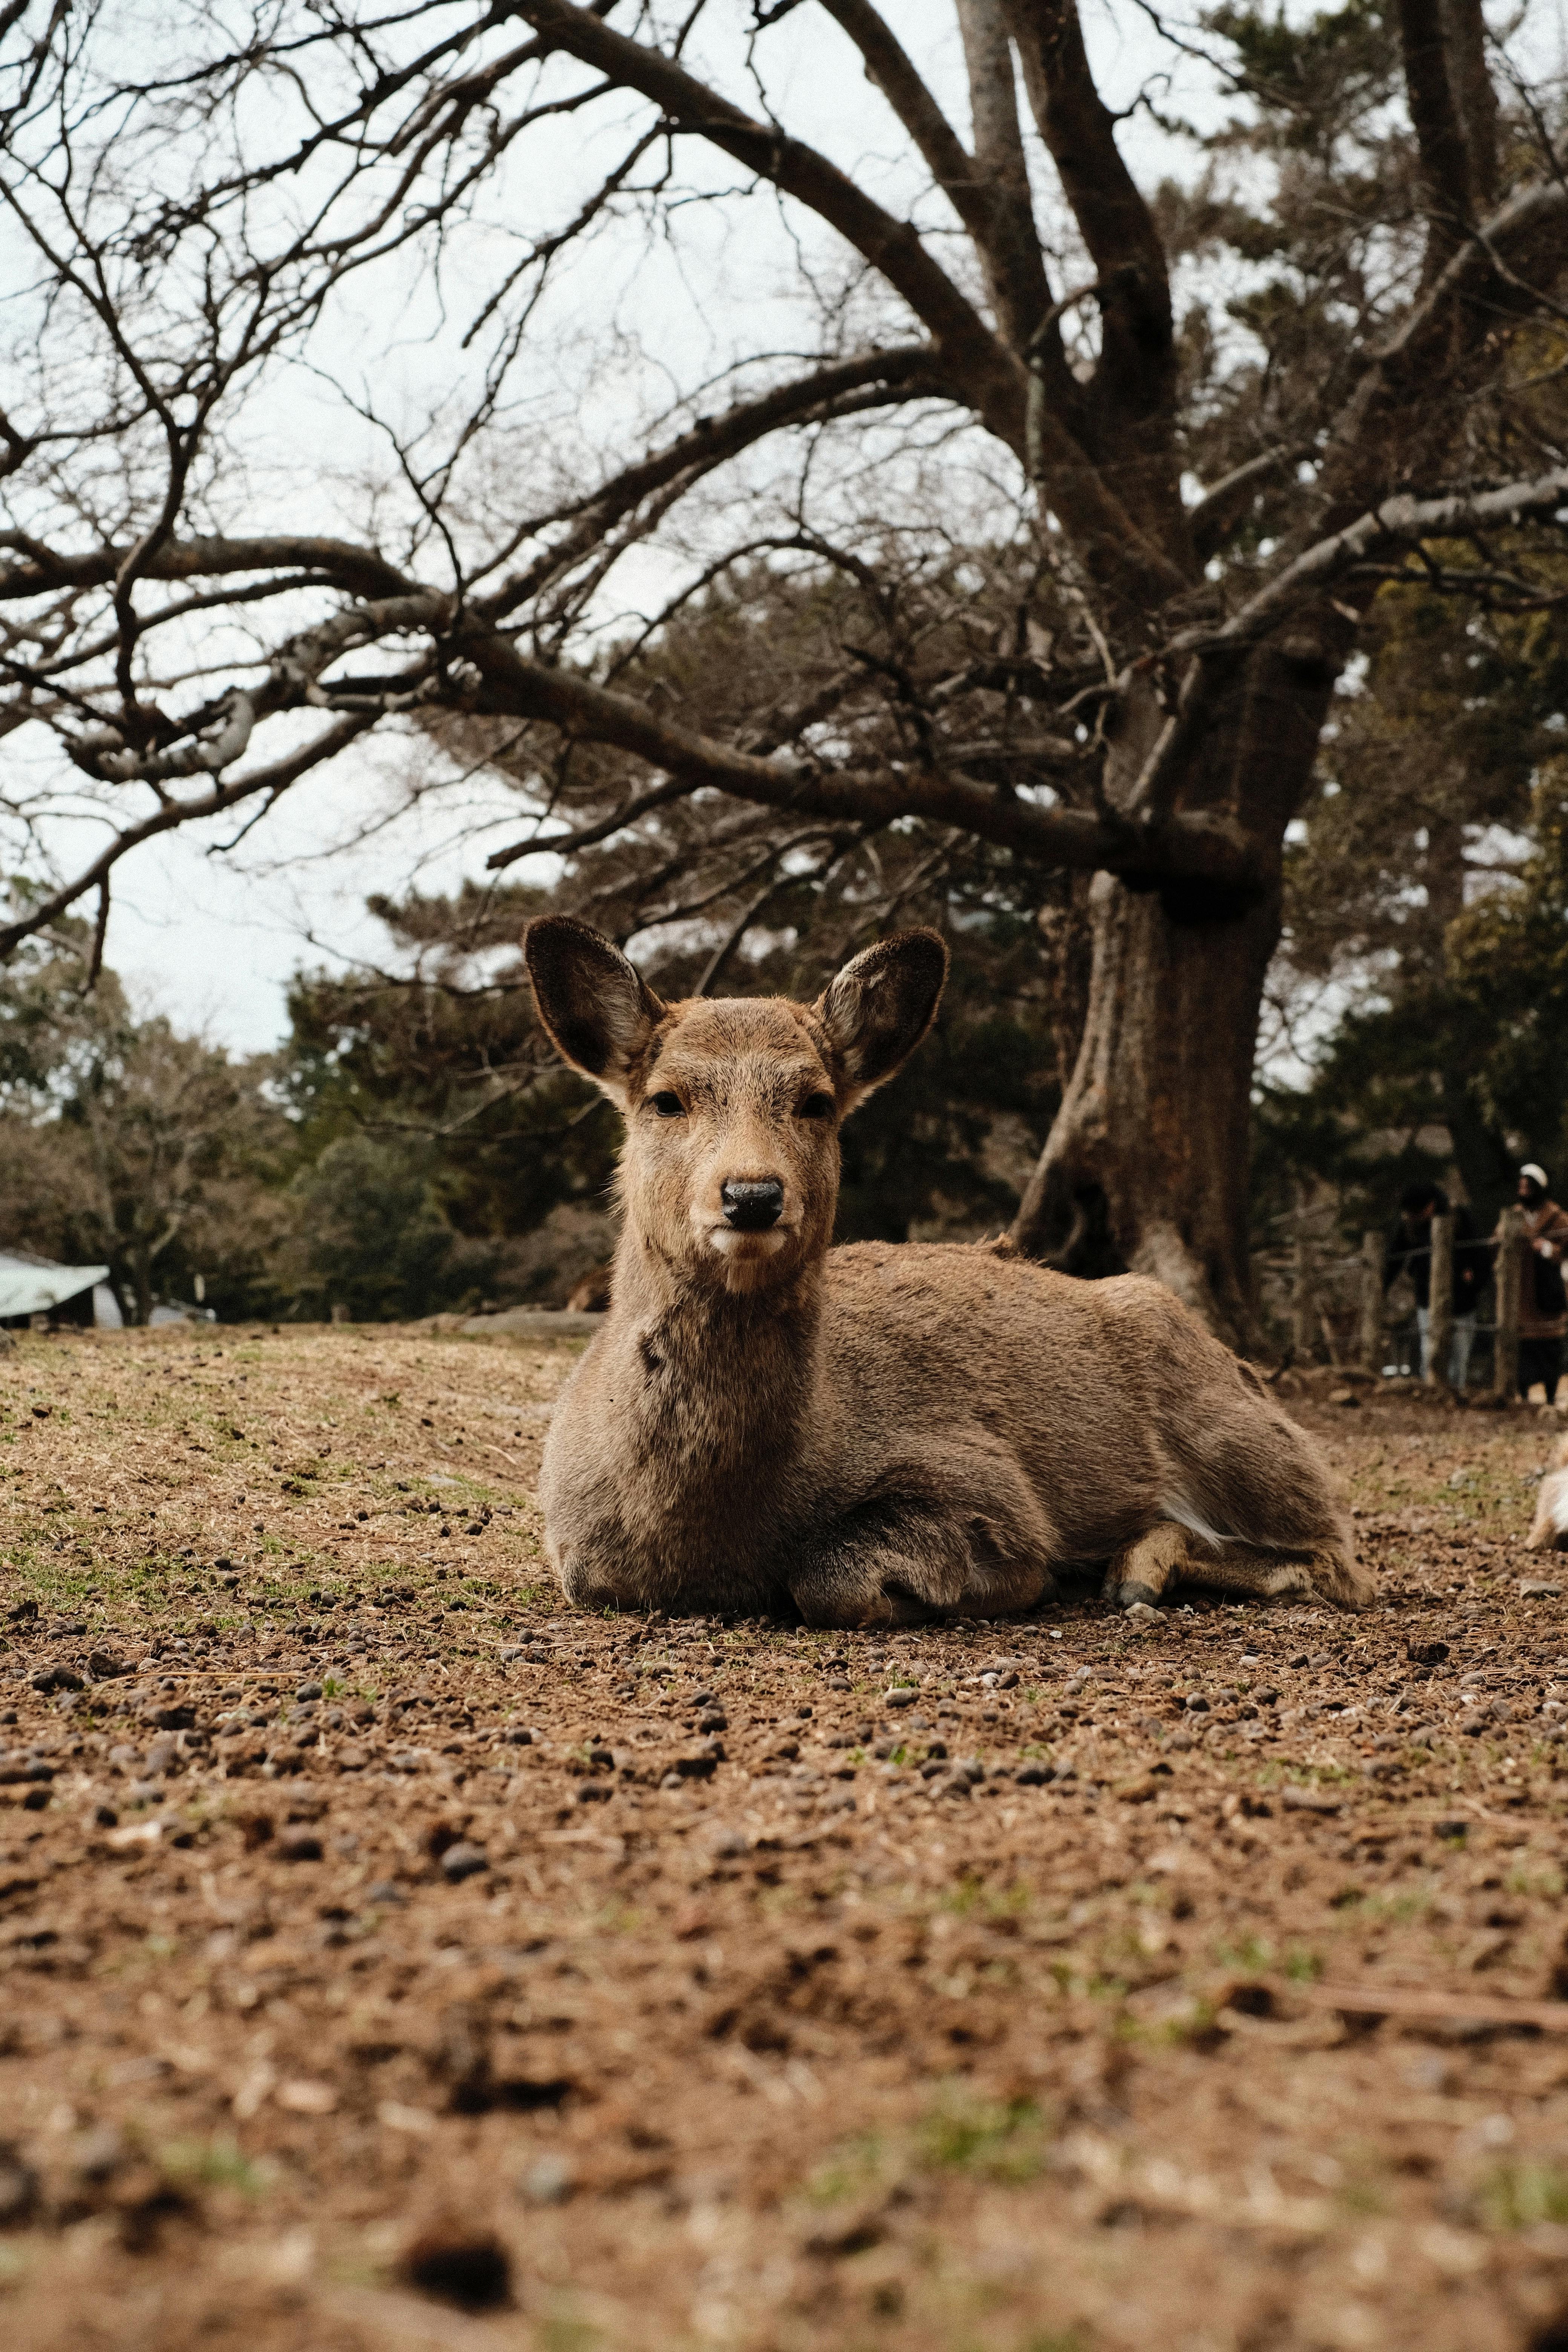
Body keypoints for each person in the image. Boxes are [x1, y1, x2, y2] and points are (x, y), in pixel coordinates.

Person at [1385, 1180, 1487, 1387]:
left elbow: (1480, 1255)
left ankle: (1455, 1399)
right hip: (1427, 1300)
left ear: (1430, 1205)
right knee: (1429, 1354)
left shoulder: (1458, 1216)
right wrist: (1383, 1284)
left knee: (1460, 1358)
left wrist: (1473, 1284)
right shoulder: (1410, 1223)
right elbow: (1394, 1257)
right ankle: (1432, 1395)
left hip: (1462, 1302)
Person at [1516, 1164, 1568, 1403]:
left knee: (1550, 1349)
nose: (1524, 1191)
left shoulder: (1558, 1218)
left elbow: (1565, 1253)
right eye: (1521, 1186)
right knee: (1523, 1350)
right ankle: (1524, 1395)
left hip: (1549, 1293)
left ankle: (1550, 1396)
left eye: (1528, 1187)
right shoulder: (1514, 1216)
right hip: (1522, 1294)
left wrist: (1546, 1248)